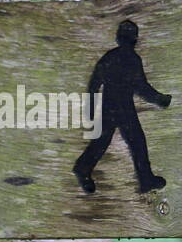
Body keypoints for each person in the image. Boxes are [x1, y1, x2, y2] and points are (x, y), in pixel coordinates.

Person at [73, 19, 171, 194]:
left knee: (110, 142)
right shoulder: (132, 59)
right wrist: (159, 99)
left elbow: (95, 84)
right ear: (135, 39)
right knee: (131, 143)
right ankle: (84, 168)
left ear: (119, 37)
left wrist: (90, 109)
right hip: (121, 108)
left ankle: (144, 178)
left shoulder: (111, 57)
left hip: (113, 107)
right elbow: (141, 87)